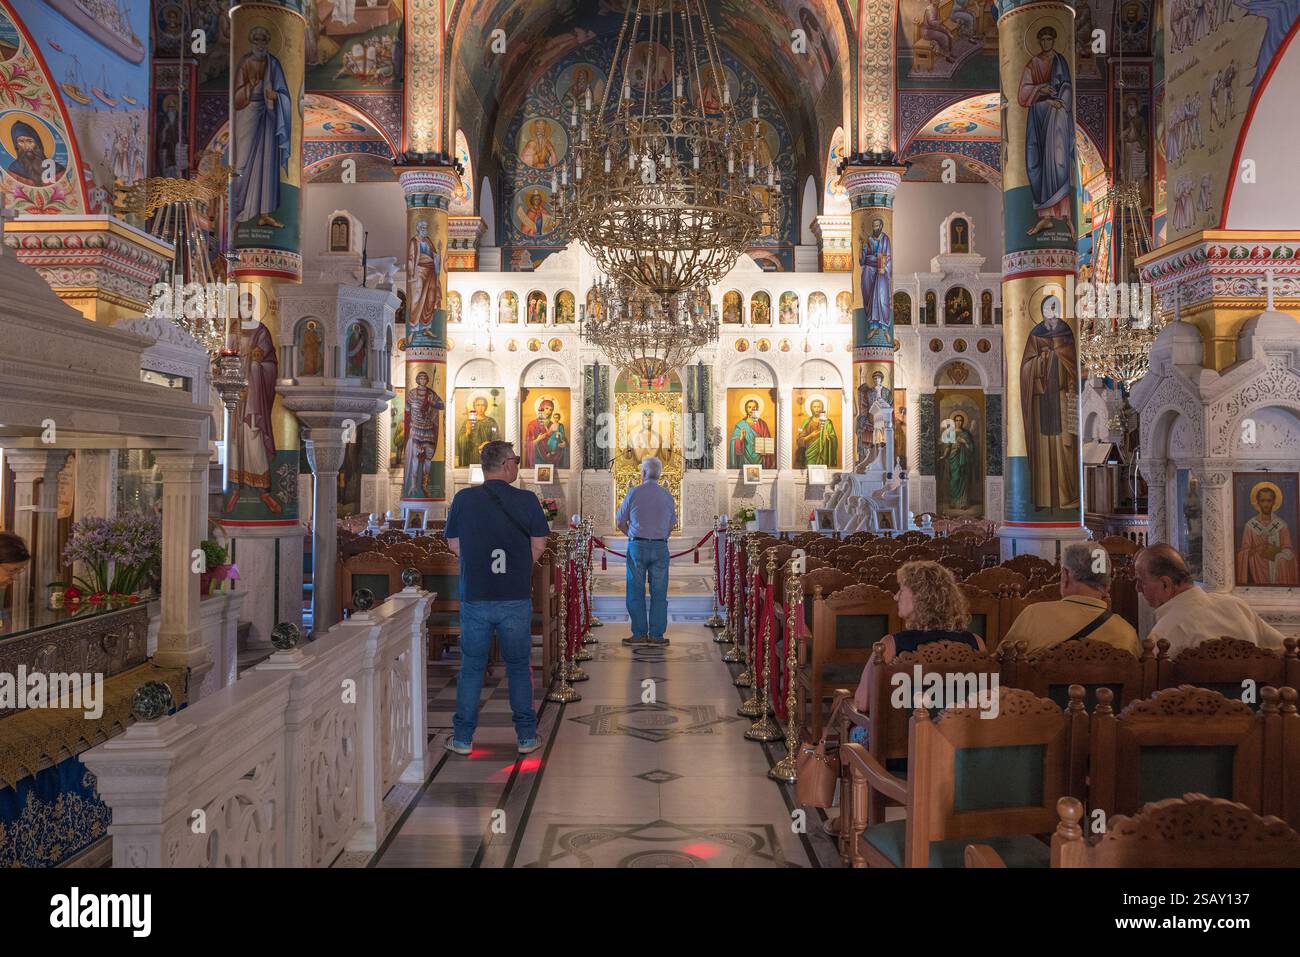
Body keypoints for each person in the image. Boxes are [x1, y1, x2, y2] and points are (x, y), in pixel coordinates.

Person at [444, 441, 551, 755]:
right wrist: (519, 568)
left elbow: (453, 544)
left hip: (476, 596)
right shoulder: (527, 500)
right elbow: (540, 545)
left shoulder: (464, 498)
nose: (517, 466)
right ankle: (526, 737)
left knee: (471, 668)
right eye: (516, 461)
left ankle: (463, 739)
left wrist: (477, 563)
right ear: (505, 465)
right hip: (514, 596)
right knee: (519, 667)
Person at [851, 560, 986, 717]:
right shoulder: (976, 643)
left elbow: (863, 702)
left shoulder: (890, 646)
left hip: (902, 740)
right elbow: (985, 704)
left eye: (901, 590)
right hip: (957, 739)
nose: (895, 597)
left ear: (920, 597)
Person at [1136, 543, 1286, 654]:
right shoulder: (1236, 606)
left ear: (1165, 584)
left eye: (1141, 581)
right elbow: (1287, 650)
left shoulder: (1162, 636)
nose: (1138, 589)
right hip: (1250, 696)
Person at [1001, 541, 1140, 656]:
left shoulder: (1033, 616)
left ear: (1065, 576)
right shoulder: (1127, 634)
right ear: (1107, 585)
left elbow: (1002, 667)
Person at [1017, 25, 1074, 236]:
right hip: (1039, 117)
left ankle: (1065, 216)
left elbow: (1067, 87)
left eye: (1050, 39)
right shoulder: (1033, 63)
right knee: (1037, 163)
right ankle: (1045, 217)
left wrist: (1058, 101)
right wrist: (1041, 90)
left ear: (1054, 40)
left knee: (1058, 162)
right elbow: (1022, 94)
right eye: (1043, 40)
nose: (1046, 43)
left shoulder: (1061, 61)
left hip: (1057, 120)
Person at [616, 456, 677, 646]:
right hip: (660, 546)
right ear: (659, 474)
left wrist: (632, 536)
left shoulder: (633, 493)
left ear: (643, 473)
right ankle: (657, 635)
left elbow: (619, 522)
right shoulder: (667, 495)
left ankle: (639, 633)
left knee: (635, 590)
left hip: (638, 546)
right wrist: (661, 537)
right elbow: (671, 524)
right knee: (659, 592)